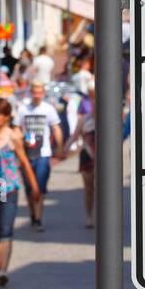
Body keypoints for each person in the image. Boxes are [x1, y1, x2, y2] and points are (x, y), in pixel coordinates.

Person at [0, 99, 39, 286]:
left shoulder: (13, 136)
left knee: (6, 229)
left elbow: (24, 161)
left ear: (6, 117)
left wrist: (34, 186)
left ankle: (3, 269)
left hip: (8, 188)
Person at [16, 80, 63, 231]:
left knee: (40, 187)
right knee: (29, 188)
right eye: (34, 92)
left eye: (39, 92)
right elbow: (17, 129)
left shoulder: (48, 109)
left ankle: (38, 218)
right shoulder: (23, 109)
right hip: (27, 153)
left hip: (43, 153)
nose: (37, 95)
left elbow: (56, 128)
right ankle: (32, 213)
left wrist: (60, 147)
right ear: (31, 93)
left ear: (43, 93)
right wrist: (18, 146)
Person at [63, 82, 96, 228]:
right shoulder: (85, 119)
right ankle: (89, 216)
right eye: (92, 100)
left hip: (103, 158)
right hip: (87, 155)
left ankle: (103, 215)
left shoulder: (108, 118)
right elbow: (75, 135)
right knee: (88, 188)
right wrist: (65, 148)